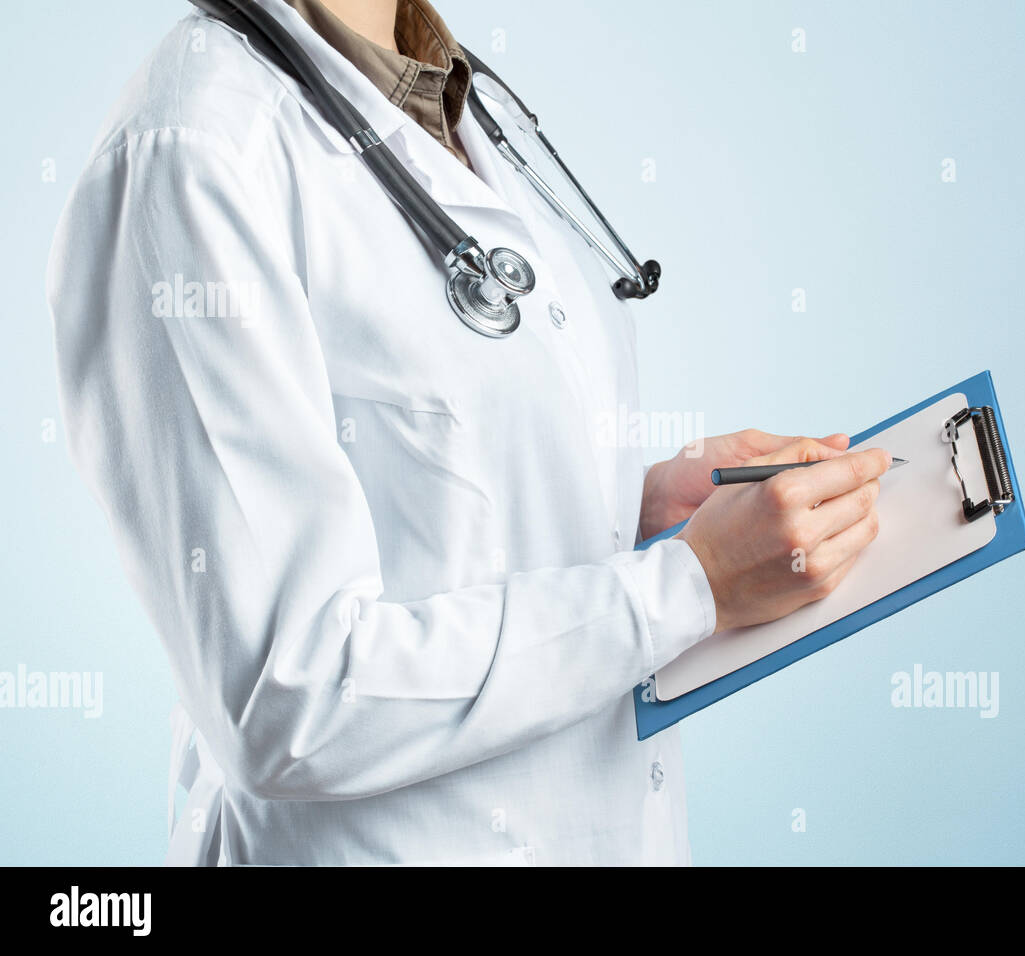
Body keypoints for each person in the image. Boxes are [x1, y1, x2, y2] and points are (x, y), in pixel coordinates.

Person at [46, 0, 888, 865]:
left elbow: (426, 508)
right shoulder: (192, 150)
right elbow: (285, 696)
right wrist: (685, 587)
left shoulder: (444, 101)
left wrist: (628, 512)